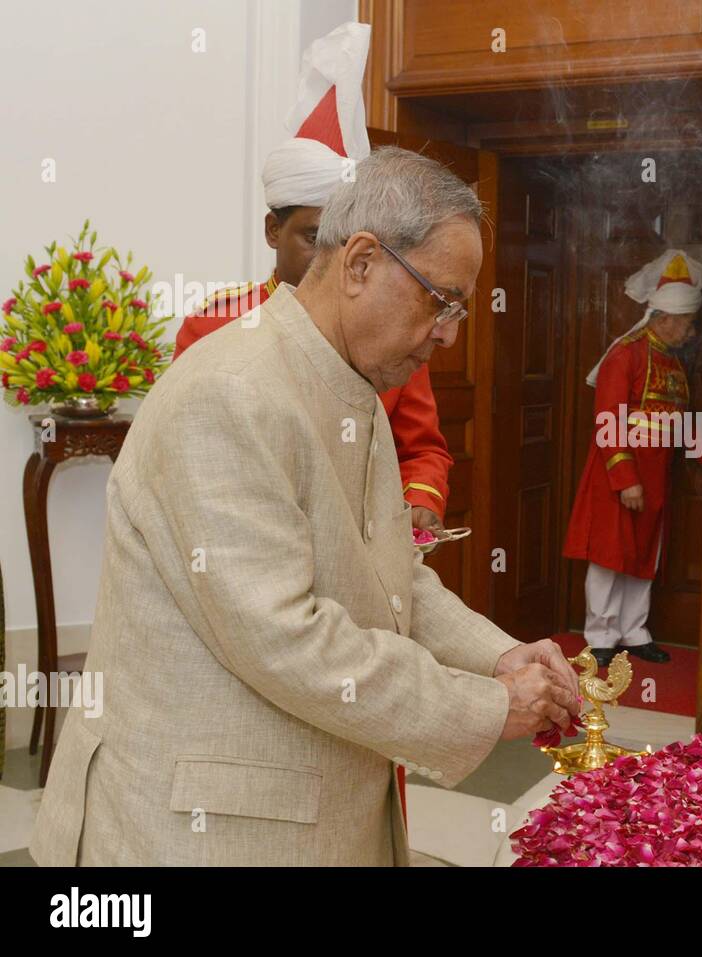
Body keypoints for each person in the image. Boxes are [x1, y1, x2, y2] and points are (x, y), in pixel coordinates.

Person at [31, 146, 581, 866]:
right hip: (204, 830)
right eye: (439, 299)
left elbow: (391, 572)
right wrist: (486, 705)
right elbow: (283, 636)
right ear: (360, 263)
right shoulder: (230, 391)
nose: (450, 331)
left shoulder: (353, 384)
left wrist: (498, 652)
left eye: (460, 308)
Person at [175, 23, 453, 534]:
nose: (332, 258)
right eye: (313, 237)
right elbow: (186, 459)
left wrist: (420, 502)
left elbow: (422, 452)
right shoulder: (214, 326)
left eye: (345, 242)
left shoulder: (393, 333)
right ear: (272, 230)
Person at [562, 250, 702, 668]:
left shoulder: (673, 361)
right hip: (618, 474)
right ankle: (600, 635)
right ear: (665, 319)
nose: (691, 331)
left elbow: (680, 419)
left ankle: (634, 631)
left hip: (657, 475)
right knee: (610, 556)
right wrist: (626, 479)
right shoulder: (625, 355)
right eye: (688, 322)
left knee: (645, 555)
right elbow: (607, 420)